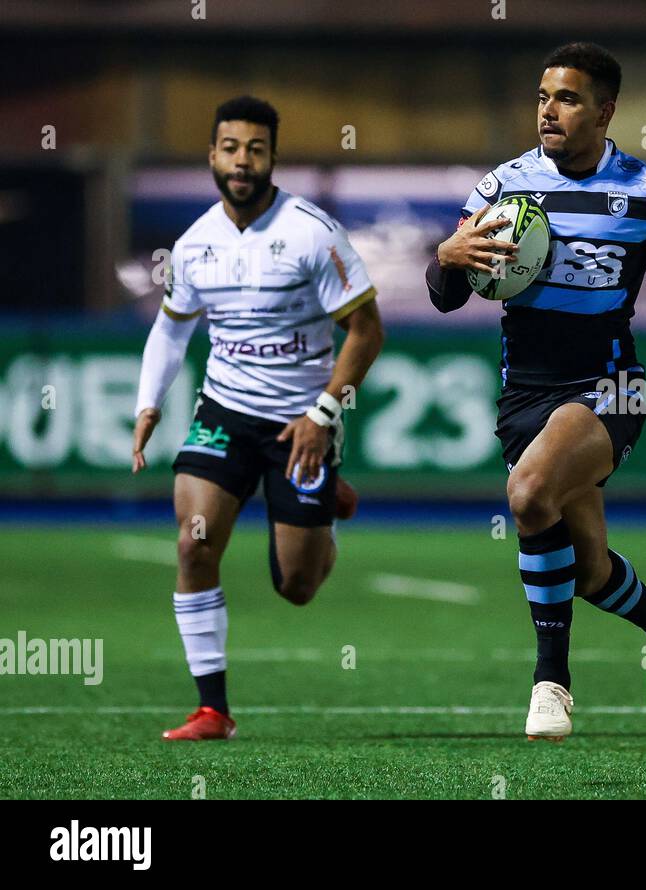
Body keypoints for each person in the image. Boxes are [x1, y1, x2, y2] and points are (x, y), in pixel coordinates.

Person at [426, 43, 646, 742]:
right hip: (525, 396)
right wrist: (446, 259)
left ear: (605, 111)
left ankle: (552, 685)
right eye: (543, 96)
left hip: (613, 386)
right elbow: (446, 296)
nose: (549, 110)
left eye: (567, 98)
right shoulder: (500, 189)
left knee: (529, 495)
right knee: (590, 570)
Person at [132, 96, 385, 741]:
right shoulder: (193, 245)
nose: (242, 161)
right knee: (194, 543)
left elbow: (365, 329)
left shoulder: (311, 231)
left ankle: (324, 499)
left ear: (272, 157)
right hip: (223, 414)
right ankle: (212, 710)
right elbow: (169, 331)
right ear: (212, 156)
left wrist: (324, 413)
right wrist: (148, 404)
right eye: (230, 148)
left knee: (296, 586)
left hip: (302, 424)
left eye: (255, 149)